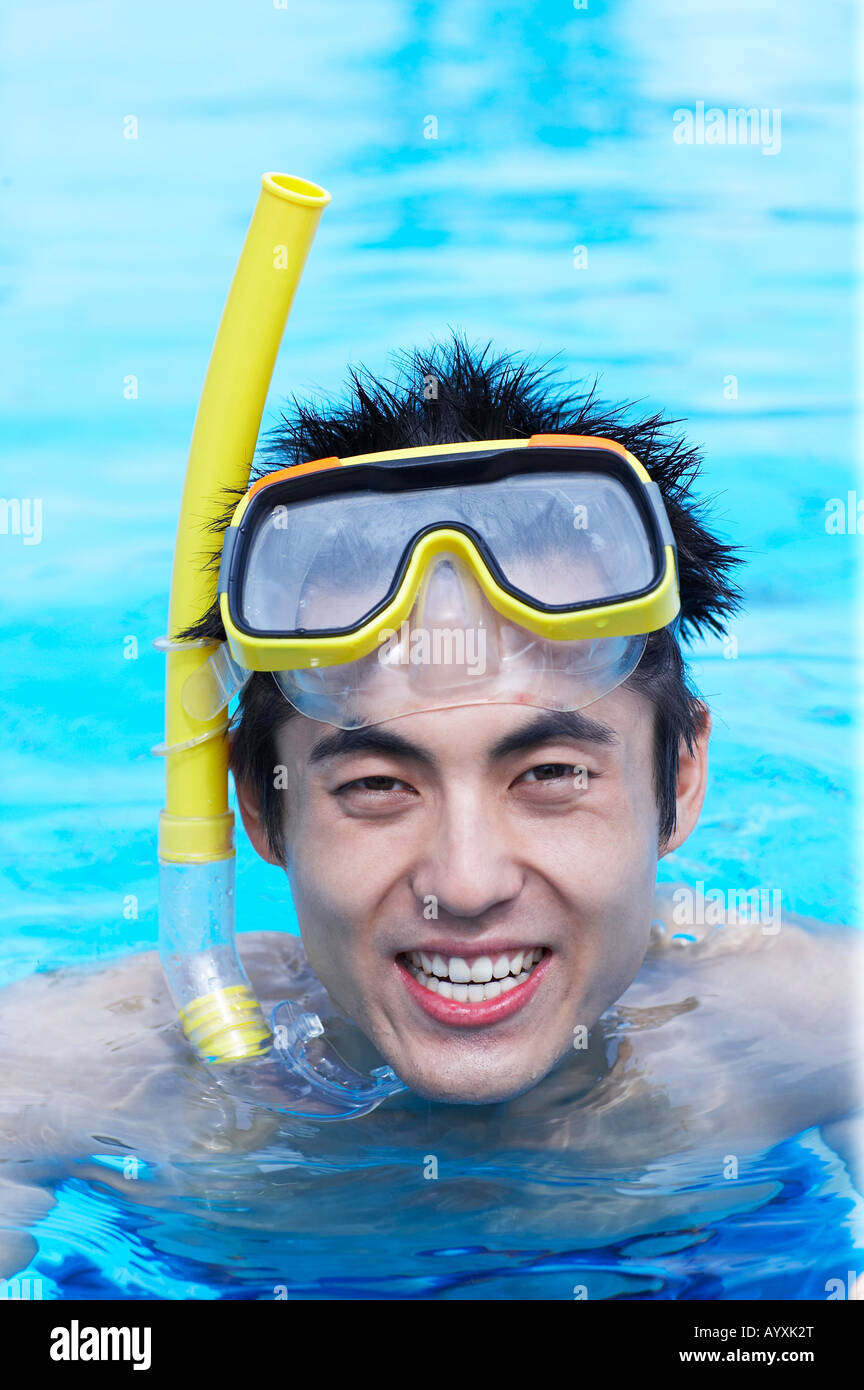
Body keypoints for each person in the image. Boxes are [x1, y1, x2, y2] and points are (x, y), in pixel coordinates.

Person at [0, 337, 860, 1282]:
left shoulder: (816, 1029)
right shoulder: (78, 1077)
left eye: (551, 775)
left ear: (682, 778)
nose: (466, 881)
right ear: (260, 806)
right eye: (377, 786)